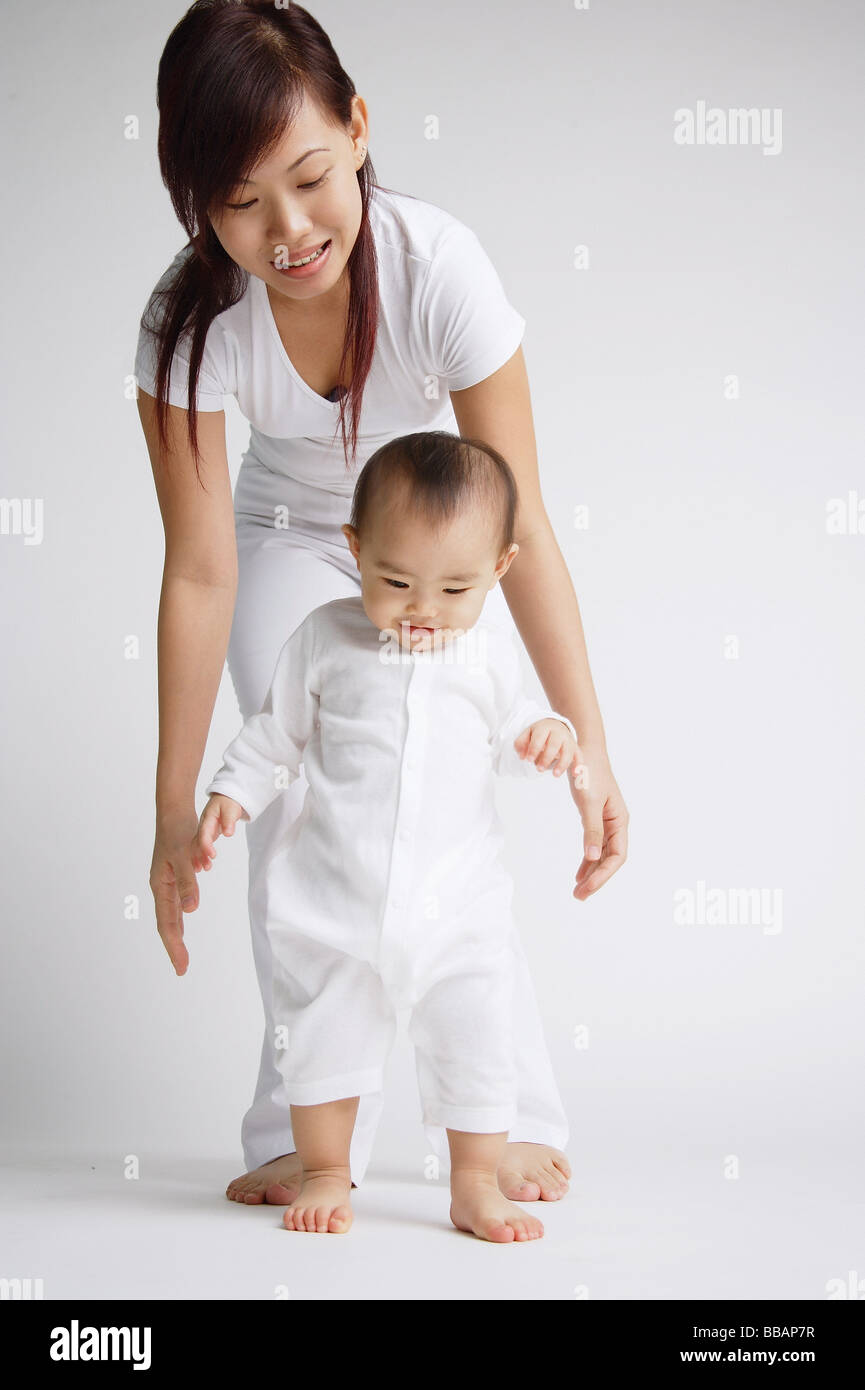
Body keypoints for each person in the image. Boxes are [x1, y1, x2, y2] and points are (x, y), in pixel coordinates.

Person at [134, 0, 629, 1208]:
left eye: (308, 178)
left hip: (428, 542)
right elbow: (199, 569)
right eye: (240, 202)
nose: (287, 230)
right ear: (199, 204)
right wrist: (172, 807)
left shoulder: (438, 268)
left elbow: (521, 521)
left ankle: (502, 1117)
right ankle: (301, 1133)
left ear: (359, 130)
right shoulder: (190, 324)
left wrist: (592, 746)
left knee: (452, 775)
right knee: (302, 788)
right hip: (287, 540)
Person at [193, 433, 580, 1240]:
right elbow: (275, 736)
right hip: (335, 903)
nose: (421, 609)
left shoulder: (487, 653)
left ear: (499, 570)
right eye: (396, 580)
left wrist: (546, 735)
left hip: (457, 911)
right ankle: (327, 1171)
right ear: (355, 548)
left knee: (476, 1041)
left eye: (454, 587)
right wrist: (232, 792)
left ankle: (475, 1180)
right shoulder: (324, 639)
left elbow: (518, 728)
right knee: (324, 1045)